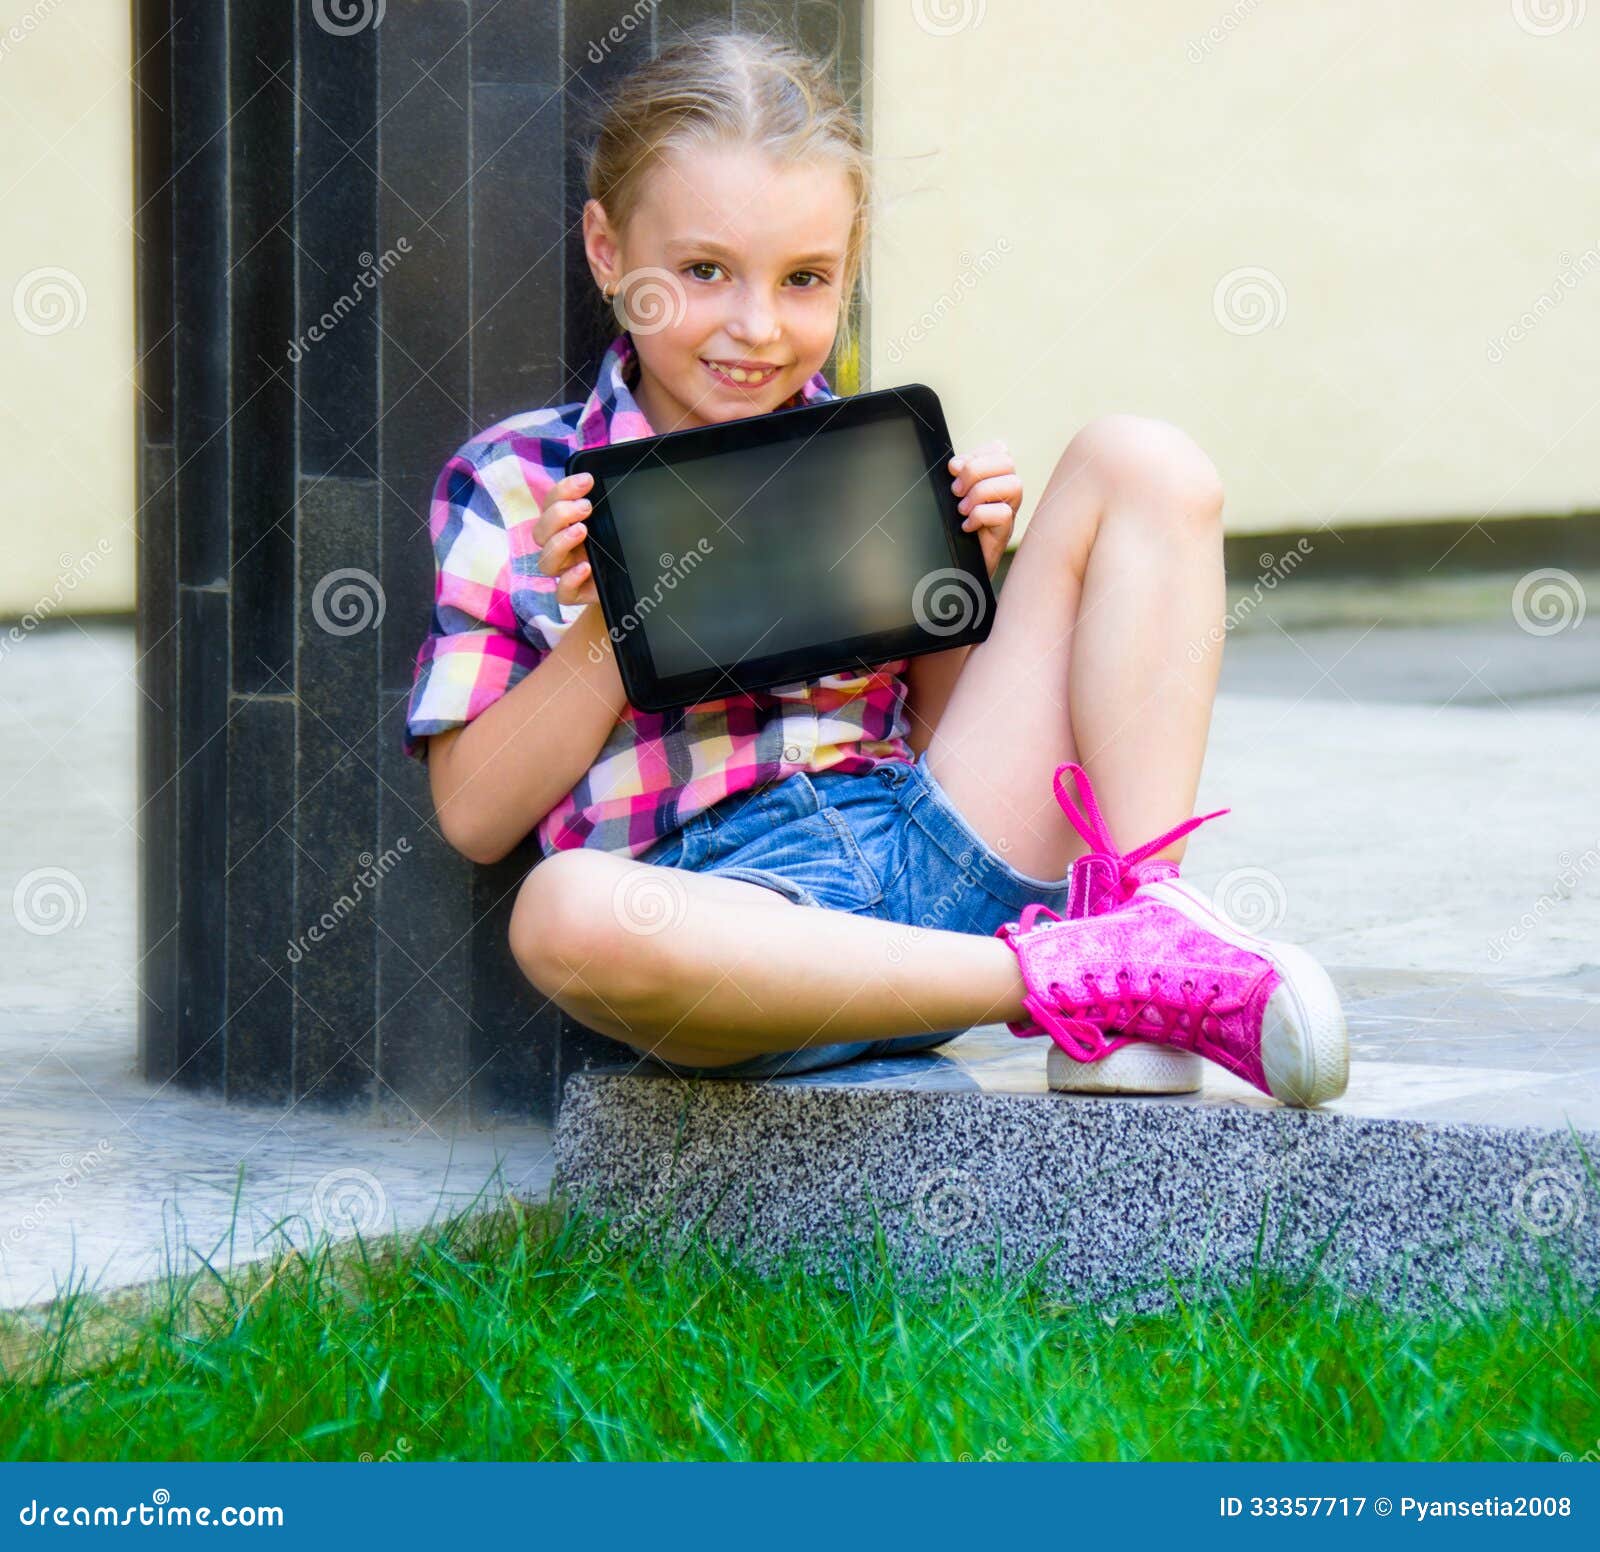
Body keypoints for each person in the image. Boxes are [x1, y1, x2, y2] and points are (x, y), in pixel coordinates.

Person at [402, 25, 1348, 1107]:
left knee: (1143, 462)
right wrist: (617, 630)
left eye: (804, 279)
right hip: (741, 936)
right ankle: (1089, 980)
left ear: (845, 273)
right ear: (609, 252)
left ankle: (1146, 919)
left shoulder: (874, 462)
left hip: (933, 851)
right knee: (561, 912)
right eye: (705, 272)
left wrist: (958, 586)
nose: (757, 327)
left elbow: (943, 738)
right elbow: (474, 814)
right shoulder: (519, 483)